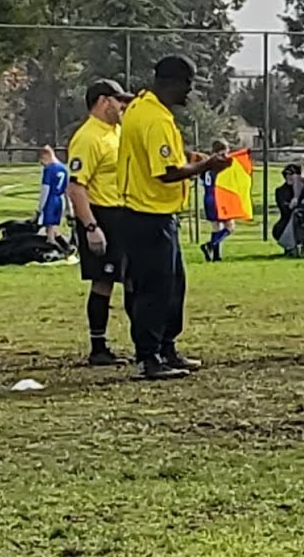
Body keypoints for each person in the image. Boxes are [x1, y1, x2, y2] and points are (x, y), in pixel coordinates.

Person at [117, 55, 228, 380]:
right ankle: (149, 358)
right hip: (148, 215)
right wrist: (207, 166)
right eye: (187, 84)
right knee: (154, 289)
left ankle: (166, 348)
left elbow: (163, 158)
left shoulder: (139, 106)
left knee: (172, 285)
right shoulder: (156, 119)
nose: (189, 92)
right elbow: (166, 173)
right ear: (170, 81)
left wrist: (190, 159)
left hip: (147, 213)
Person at [65, 78, 135, 366]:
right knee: (103, 282)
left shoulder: (117, 132)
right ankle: (98, 347)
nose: (123, 107)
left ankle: (144, 342)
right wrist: (92, 227)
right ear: (104, 101)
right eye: (120, 101)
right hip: (102, 215)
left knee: (133, 280)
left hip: (124, 214)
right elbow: (76, 186)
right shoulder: (88, 137)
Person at [199, 140, 236, 262]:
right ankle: (210, 244)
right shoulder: (220, 165)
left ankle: (216, 256)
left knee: (216, 226)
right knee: (230, 226)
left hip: (208, 197)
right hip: (219, 197)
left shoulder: (207, 164)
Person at [36, 145, 69, 247]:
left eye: (42, 161)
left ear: (45, 156)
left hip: (50, 199)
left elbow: (46, 188)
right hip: (60, 199)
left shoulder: (49, 169)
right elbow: (66, 189)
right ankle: (61, 242)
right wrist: (68, 206)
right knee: (51, 226)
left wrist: (40, 206)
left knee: (49, 226)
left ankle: (53, 245)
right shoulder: (64, 168)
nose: (42, 164)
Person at [272, 163, 301, 250]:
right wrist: (291, 205)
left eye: (292, 174)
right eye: (287, 174)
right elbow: (283, 208)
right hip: (287, 219)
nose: (289, 177)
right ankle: (289, 248)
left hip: (302, 218)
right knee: (279, 229)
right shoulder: (280, 191)